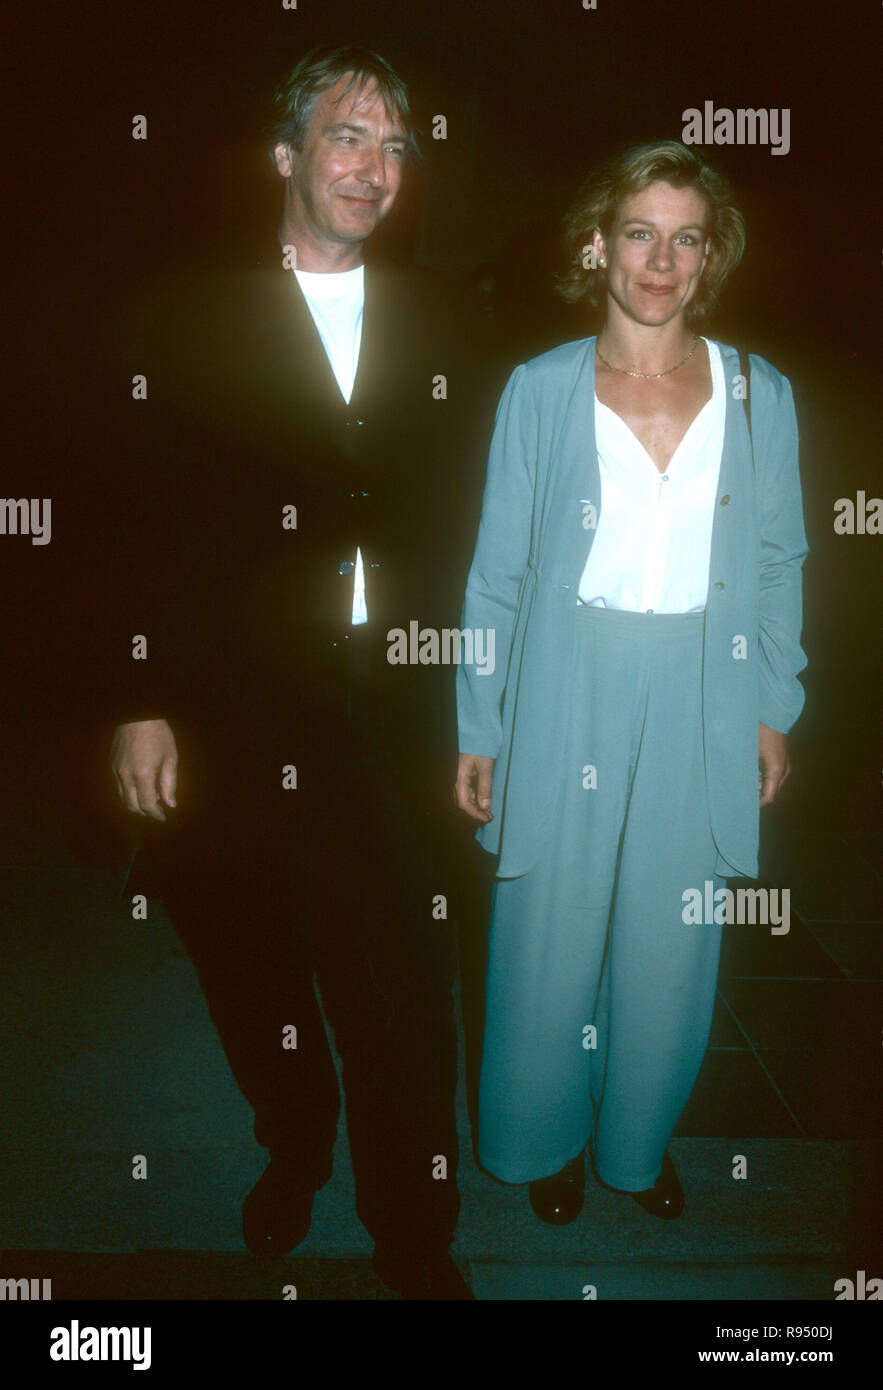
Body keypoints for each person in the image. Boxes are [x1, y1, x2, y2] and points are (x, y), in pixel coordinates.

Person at [108, 45, 484, 1298]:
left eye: (395, 146)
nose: (374, 167)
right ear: (285, 154)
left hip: (398, 705)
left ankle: (413, 1232)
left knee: (402, 990)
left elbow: (498, 522)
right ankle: (295, 1137)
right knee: (250, 964)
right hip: (233, 710)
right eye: (346, 136)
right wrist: (138, 697)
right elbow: (131, 521)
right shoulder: (186, 316)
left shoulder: (447, 319)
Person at [455, 140, 808, 1224]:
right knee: (546, 930)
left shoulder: (757, 392)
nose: (660, 261)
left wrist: (772, 705)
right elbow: (497, 572)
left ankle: (636, 1143)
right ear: (595, 244)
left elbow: (777, 560)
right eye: (640, 233)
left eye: (685, 239)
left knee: (671, 940)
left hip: (704, 688)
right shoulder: (539, 389)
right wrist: (480, 723)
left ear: (710, 257)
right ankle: (542, 1138)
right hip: (565, 684)